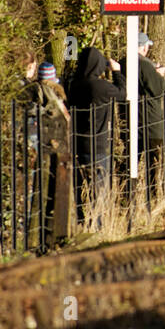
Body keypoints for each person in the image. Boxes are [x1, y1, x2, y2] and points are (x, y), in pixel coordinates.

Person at [65, 46, 125, 226]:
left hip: (76, 142)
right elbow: (123, 93)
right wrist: (117, 73)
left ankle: (78, 220)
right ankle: (97, 224)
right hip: (98, 144)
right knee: (98, 188)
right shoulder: (102, 87)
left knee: (77, 185)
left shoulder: (72, 85)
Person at [23, 61, 73, 244]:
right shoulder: (57, 93)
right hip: (54, 144)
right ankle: (49, 235)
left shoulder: (33, 90)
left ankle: (38, 234)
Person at [134, 32, 165, 202]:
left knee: (131, 161)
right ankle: (153, 199)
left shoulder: (124, 62)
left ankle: (129, 196)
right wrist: (159, 75)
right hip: (150, 122)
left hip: (133, 120)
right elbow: (158, 88)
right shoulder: (145, 65)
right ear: (142, 46)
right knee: (154, 164)